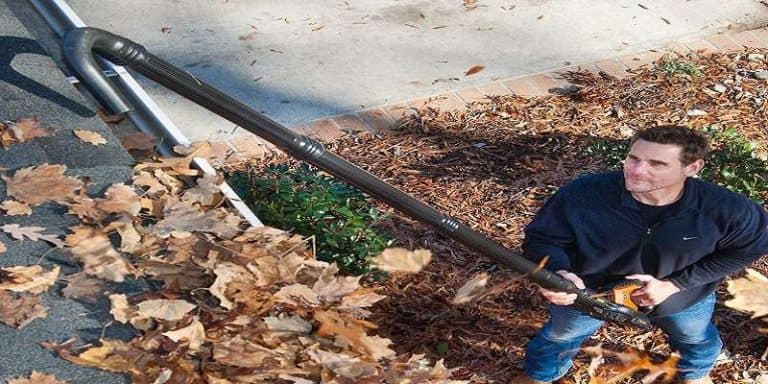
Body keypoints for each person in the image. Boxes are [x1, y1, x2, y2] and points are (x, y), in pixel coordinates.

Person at [514, 125, 768, 384]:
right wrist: (558, 272)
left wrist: (676, 284)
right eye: (633, 158)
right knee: (561, 336)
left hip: (681, 296)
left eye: (656, 164)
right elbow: (542, 238)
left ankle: (695, 375)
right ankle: (541, 375)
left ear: (692, 167)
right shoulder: (583, 194)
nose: (636, 171)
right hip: (587, 293)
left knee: (695, 338)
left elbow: (753, 246)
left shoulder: (726, 209)